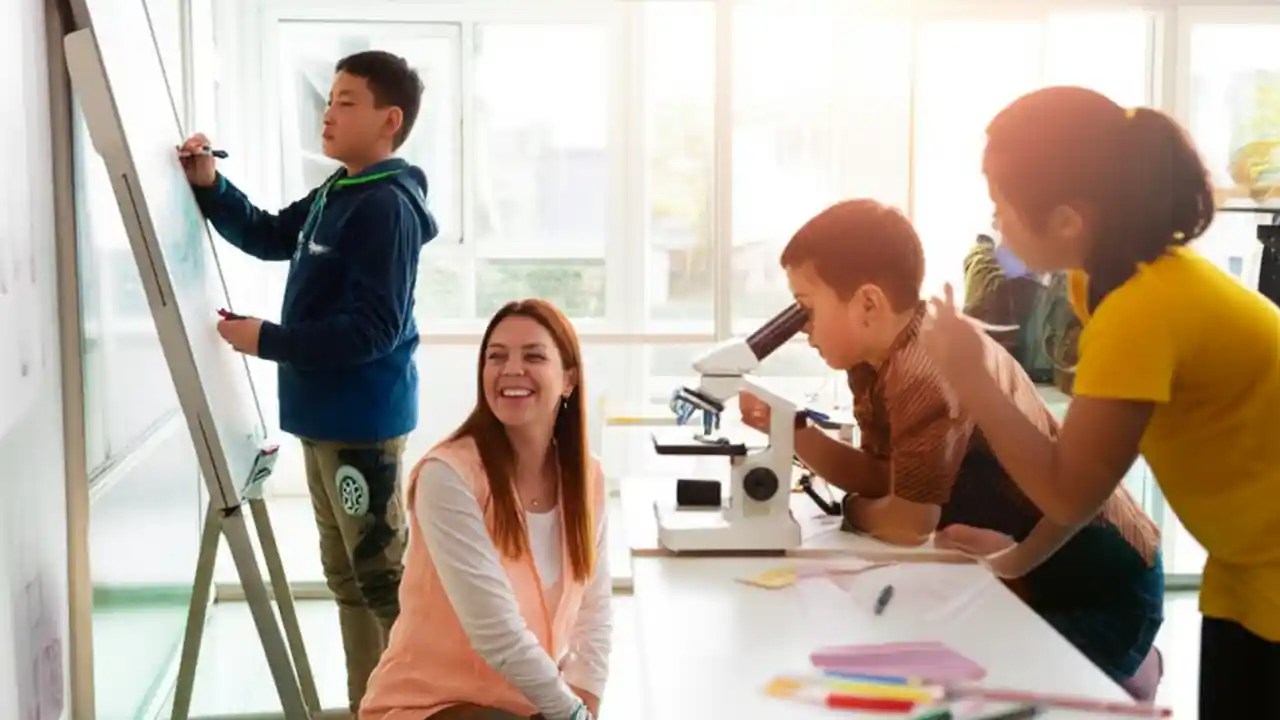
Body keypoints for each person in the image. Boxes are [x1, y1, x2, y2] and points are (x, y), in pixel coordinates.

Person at [919, 86, 1280, 719]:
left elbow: (1065, 489)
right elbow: (1090, 469)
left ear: (1068, 220)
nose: (996, 221)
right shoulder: (1105, 286)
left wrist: (970, 375)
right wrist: (1013, 561)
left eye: (1001, 204)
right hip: (1247, 569)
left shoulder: (1142, 310)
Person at [739, 199, 1164, 696]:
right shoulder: (876, 362)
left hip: (1098, 582)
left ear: (868, 305)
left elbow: (908, 522)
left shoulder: (923, 366)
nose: (801, 327)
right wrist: (791, 429)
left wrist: (856, 510)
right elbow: (883, 477)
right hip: (1026, 565)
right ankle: (1131, 665)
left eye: (805, 308)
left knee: (966, 688)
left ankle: (1130, 662)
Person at [180, 50, 439, 712]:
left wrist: (266, 340)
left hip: (361, 424)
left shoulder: (385, 206)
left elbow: (371, 331)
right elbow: (268, 234)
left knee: (379, 581)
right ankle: (369, 705)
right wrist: (210, 184)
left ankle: (410, 706)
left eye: (346, 102)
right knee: (348, 578)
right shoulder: (337, 191)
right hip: (321, 419)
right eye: (328, 99)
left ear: (390, 120)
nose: (328, 112)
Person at [361, 299, 611, 720]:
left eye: (533, 355)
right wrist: (570, 713)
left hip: (528, 707)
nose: (511, 369)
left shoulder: (587, 478)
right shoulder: (449, 477)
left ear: (568, 379)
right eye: (496, 357)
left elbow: (596, 612)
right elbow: (496, 633)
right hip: (431, 707)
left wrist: (585, 700)